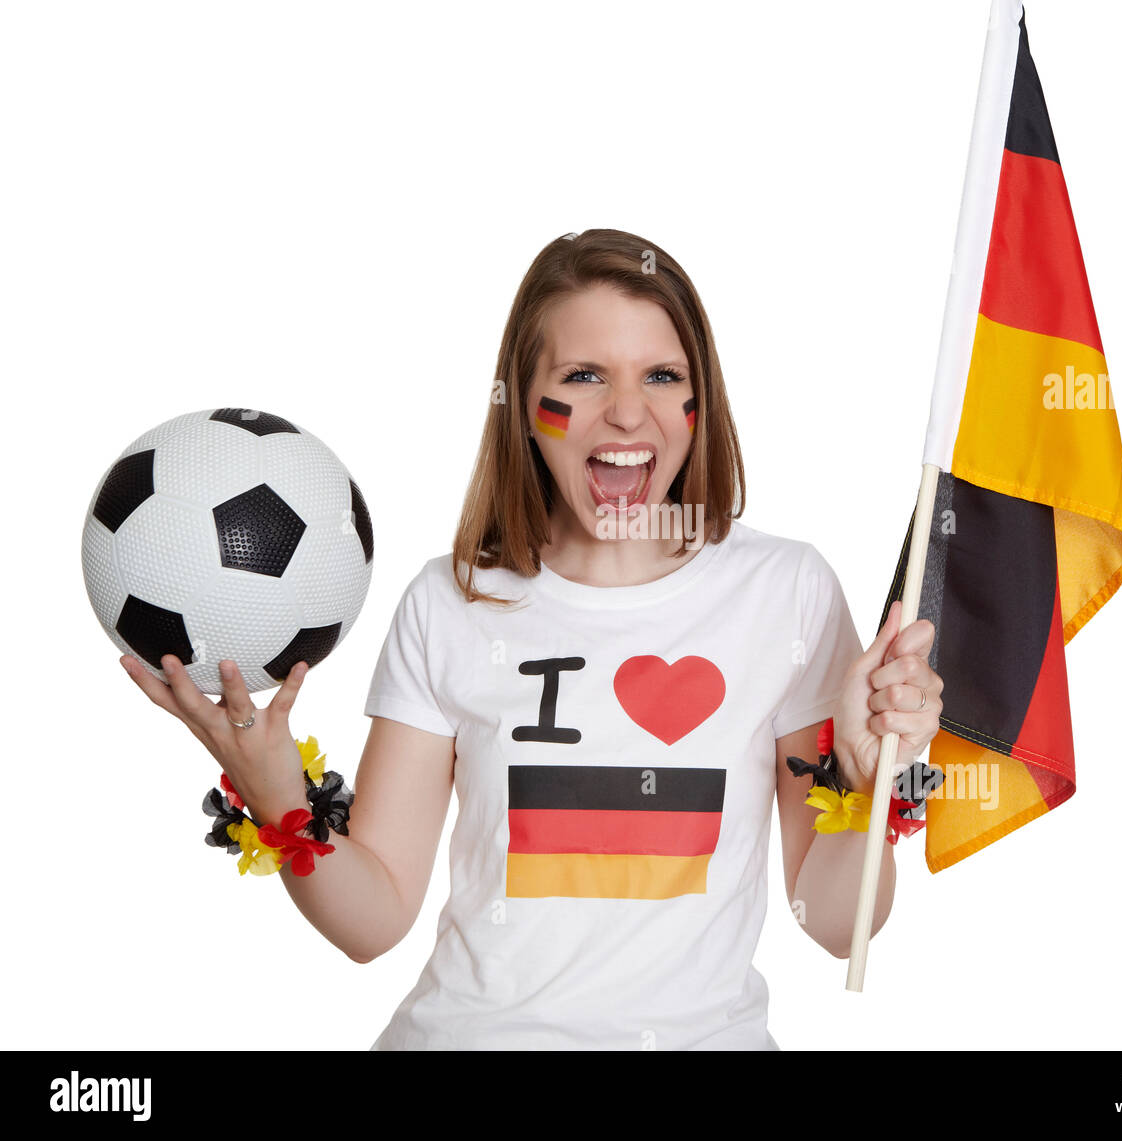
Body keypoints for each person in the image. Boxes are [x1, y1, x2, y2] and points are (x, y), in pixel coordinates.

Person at [120, 229, 944, 1050]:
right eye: (583, 375)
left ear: (704, 401)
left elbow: (836, 923)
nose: (628, 411)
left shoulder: (786, 593)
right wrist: (277, 798)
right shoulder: (451, 601)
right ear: (522, 404)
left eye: (663, 375)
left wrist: (866, 779)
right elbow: (372, 921)